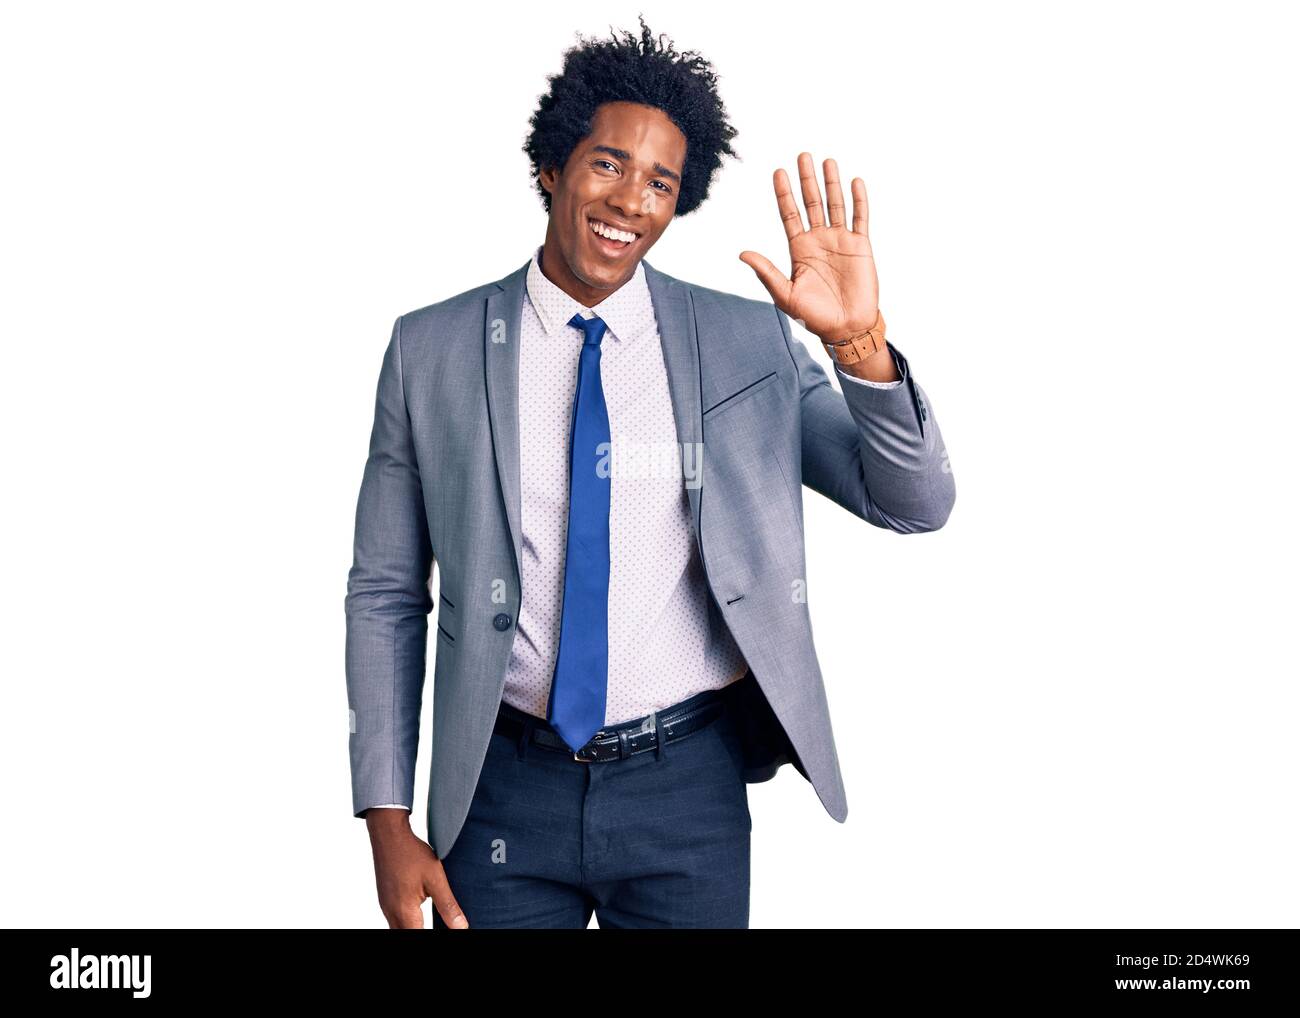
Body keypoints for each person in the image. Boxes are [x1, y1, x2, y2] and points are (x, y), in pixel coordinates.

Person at [345, 15, 955, 929]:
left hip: (687, 794)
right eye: (608, 164)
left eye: (661, 182)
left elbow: (913, 502)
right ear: (552, 166)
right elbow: (388, 590)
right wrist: (387, 820)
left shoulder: (746, 342)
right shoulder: (429, 350)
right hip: (501, 791)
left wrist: (856, 344)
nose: (631, 200)